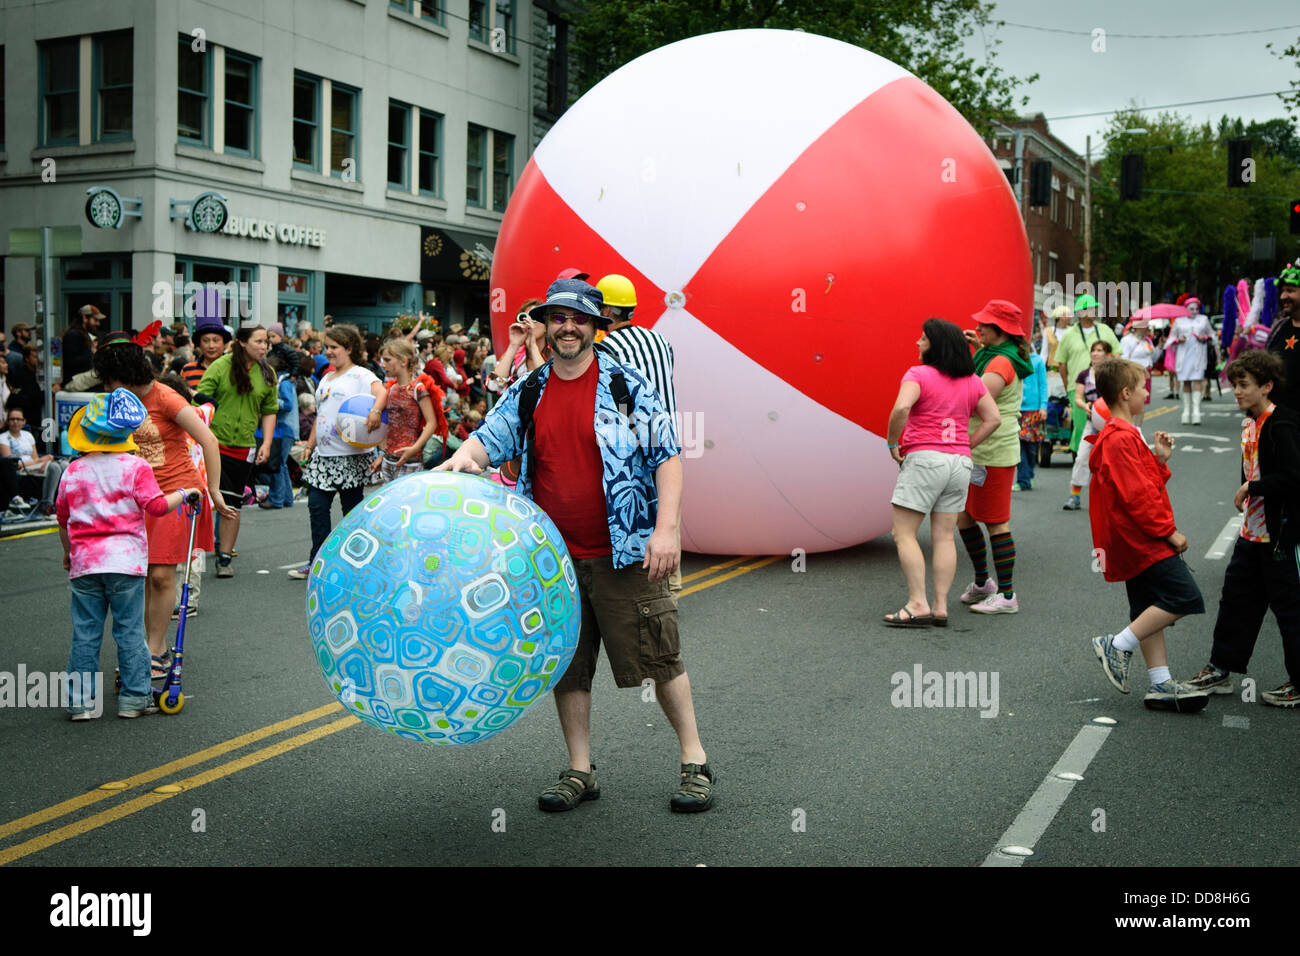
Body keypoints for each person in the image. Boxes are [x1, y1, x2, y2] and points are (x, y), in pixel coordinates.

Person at [437, 277, 713, 813]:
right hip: (551, 558)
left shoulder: (626, 386)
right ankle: (580, 770)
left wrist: (667, 529)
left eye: (579, 318)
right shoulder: (531, 389)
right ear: (547, 324)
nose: (568, 326)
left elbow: (668, 457)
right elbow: (488, 438)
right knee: (569, 664)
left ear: (595, 326)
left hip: (624, 550)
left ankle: (694, 761)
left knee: (660, 655)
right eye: (558, 317)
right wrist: (460, 460)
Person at [94, 331, 233, 673]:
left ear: (126, 376)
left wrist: (213, 490)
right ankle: (146, 645)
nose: (109, 388)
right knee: (141, 576)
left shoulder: (166, 398)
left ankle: (154, 651)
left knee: (160, 575)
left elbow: (209, 441)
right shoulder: (116, 401)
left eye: (111, 381)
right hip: (137, 497)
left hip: (178, 494)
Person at [57, 388, 198, 719]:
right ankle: (135, 698)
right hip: (125, 563)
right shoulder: (135, 467)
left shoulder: (73, 471)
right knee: (130, 631)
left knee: (85, 634)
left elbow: (63, 519)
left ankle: (81, 704)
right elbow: (157, 506)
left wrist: (69, 553)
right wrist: (185, 492)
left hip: (85, 564)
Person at [1088, 358, 1210, 711]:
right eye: (1143, 387)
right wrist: (1168, 532)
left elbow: (1140, 482)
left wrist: (1159, 459)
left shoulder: (1123, 434)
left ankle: (1159, 683)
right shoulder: (1120, 437)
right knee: (1183, 596)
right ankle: (1117, 644)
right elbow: (1137, 495)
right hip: (1140, 537)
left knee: (1146, 607)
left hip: (1130, 537)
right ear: (1126, 393)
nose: (1147, 392)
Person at [1181, 350, 1300, 708]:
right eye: (1234, 384)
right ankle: (1220, 669)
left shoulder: (1283, 424)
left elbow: (1294, 478)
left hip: (1279, 536)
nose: (1236, 391)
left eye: (1244, 385)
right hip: (1251, 533)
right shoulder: (1250, 423)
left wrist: (1253, 488)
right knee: (1236, 601)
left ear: (1267, 386)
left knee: (1290, 610)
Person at [884, 318, 1001, 626]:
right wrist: (966, 442)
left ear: (934, 345)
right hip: (959, 462)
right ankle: (939, 606)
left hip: (924, 458)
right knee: (945, 537)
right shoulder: (972, 380)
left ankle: (917, 603)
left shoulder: (918, 374)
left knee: (904, 533)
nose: (917, 343)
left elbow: (900, 409)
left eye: (922, 339)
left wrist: (893, 442)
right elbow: (993, 419)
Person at [594, 273, 685, 600]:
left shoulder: (605, 348)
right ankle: (670, 593)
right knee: (668, 523)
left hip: (633, 453)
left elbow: (615, 404)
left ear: (605, 312)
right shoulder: (662, 342)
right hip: (668, 447)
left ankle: (650, 600)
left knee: (639, 528)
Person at [289, 324, 384, 580]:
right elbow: (323, 414)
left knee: (351, 512)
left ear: (349, 348)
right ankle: (316, 562)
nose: (328, 352)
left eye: (334, 347)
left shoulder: (362, 375)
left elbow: (381, 393)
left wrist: (375, 413)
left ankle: (352, 563)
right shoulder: (327, 377)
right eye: (327, 347)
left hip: (350, 454)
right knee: (317, 508)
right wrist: (310, 444)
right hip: (323, 454)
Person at [958, 300, 1034, 615]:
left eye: (984, 325)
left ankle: (1006, 596)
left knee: (997, 523)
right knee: (964, 516)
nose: (978, 328)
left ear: (999, 330)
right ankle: (982, 583)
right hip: (980, 452)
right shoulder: (994, 355)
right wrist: (977, 349)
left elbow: (976, 399)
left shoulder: (1001, 362)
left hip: (992, 454)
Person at [197, 323, 277, 578]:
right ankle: (194, 554)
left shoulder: (268, 373)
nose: (264, 347)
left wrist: (266, 442)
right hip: (213, 443)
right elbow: (199, 399)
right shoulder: (220, 366)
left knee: (233, 502)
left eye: (266, 342)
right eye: (259, 341)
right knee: (203, 500)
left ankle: (224, 557)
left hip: (244, 446)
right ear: (242, 342)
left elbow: (269, 410)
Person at [366, 337, 442, 485]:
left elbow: (432, 423)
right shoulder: (391, 388)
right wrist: (381, 454)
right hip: (388, 459)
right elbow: (387, 423)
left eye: (388, 360)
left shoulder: (417, 389)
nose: (383, 365)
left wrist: (414, 448)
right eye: (383, 360)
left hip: (410, 461)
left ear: (404, 361)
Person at [1054, 293, 1120, 458]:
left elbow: (1117, 354)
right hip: (1078, 386)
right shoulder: (1069, 335)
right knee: (1081, 423)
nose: (1094, 310)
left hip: (1103, 384)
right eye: (1091, 307)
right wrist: (1068, 384)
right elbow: (1062, 363)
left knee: (1105, 421)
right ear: (1081, 311)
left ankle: (1103, 455)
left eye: (1095, 307)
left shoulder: (1104, 330)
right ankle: (1080, 455)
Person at [1063, 340, 1114, 511]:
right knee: (1082, 457)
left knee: (1113, 461)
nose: (1095, 353)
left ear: (1107, 354)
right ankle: (1075, 495)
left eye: (1099, 350)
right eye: (1093, 350)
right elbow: (1078, 398)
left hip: (1112, 423)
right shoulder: (1084, 374)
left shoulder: (1114, 374)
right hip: (1092, 422)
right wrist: (1086, 407)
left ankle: (1114, 497)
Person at [0, 407, 65, 515]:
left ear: (24, 421)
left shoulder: (28, 435)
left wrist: (40, 460)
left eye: (18, 419)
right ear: (8, 421)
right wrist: (40, 461)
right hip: (20, 470)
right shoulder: (3, 437)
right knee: (54, 467)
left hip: (32, 465)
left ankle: (61, 503)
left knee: (64, 464)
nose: (15, 422)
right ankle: (47, 505)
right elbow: (11, 464)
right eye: (12, 419)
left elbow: (34, 457)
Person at [259, 352, 299, 508]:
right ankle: (287, 498)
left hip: (285, 427)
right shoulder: (285, 381)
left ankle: (276, 499)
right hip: (286, 428)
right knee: (282, 464)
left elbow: (287, 405)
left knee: (277, 463)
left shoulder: (283, 383)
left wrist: (269, 401)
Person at [1170, 297, 1213, 424]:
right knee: (1186, 382)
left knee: (1198, 380)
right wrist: (1179, 340)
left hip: (1199, 355)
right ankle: (1186, 411)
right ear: (1186, 309)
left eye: (1196, 309)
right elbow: (1171, 338)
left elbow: (1212, 335)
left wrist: (1204, 337)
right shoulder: (1178, 321)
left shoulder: (1203, 319)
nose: (1194, 311)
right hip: (1183, 355)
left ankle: (1196, 411)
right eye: (1191, 308)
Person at [1265, 262, 1300, 413]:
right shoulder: (1279, 328)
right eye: (1282, 291)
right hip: (1277, 419)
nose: (1283, 296)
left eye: (1290, 291)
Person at [1015, 340, 1048, 492]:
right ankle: (1023, 480)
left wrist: (1043, 406)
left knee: (1031, 445)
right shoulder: (1013, 358)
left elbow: (1043, 384)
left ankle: (1028, 474)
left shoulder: (1038, 361)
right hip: (1017, 407)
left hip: (1033, 409)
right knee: (1020, 444)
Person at [1120, 317, 1157, 429]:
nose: (1147, 327)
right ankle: (1130, 429)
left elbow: (1153, 357)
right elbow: (1124, 359)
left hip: (1147, 375)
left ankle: (1138, 430)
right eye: (1145, 325)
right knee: (1133, 403)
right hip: (1134, 376)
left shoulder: (1147, 340)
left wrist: (1160, 346)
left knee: (1142, 404)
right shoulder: (1127, 340)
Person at [183, 316, 229, 391]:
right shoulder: (188, 370)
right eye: (205, 341)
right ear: (199, 344)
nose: (211, 346)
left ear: (224, 343)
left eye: (216, 340)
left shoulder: (234, 368)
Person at [60, 305, 103, 383]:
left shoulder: (84, 334)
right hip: (74, 379)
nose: (98, 323)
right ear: (84, 318)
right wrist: (91, 353)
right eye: (95, 320)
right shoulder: (73, 334)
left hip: (80, 377)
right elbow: (71, 361)